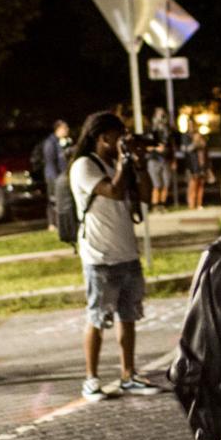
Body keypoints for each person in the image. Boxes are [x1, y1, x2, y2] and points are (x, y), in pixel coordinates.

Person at [67, 112, 162, 402]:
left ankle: (128, 374)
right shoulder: (84, 166)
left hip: (126, 251)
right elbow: (114, 191)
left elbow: (146, 195)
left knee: (128, 316)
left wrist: (140, 163)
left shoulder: (118, 163)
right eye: (118, 135)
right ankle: (91, 379)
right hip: (99, 255)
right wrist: (124, 161)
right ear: (102, 137)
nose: (123, 139)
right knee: (97, 317)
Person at [144, 107, 177, 208]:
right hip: (154, 160)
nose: (162, 117)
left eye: (163, 114)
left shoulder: (168, 131)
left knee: (166, 183)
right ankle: (155, 205)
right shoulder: (150, 130)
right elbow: (145, 146)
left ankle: (163, 204)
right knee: (157, 184)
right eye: (160, 114)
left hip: (166, 160)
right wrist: (156, 148)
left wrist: (174, 160)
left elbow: (172, 147)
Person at [40, 120, 71, 195]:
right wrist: (57, 180)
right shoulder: (50, 143)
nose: (67, 129)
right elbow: (51, 163)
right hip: (54, 178)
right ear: (58, 129)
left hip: (61, 178)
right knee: (55, 200)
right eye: (65, 128)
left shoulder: (63, 142)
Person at [183, 130, 207, 209]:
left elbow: (207, 158)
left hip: (202, 169)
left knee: (201, 187)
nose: (198, 138)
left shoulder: (203, 148)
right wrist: (190, 170)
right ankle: (191, 205)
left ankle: (199, 204)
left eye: (199, 137)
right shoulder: (191, 148)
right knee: (192, 187)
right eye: (196, 137)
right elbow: (188, 159)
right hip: (193, 169)